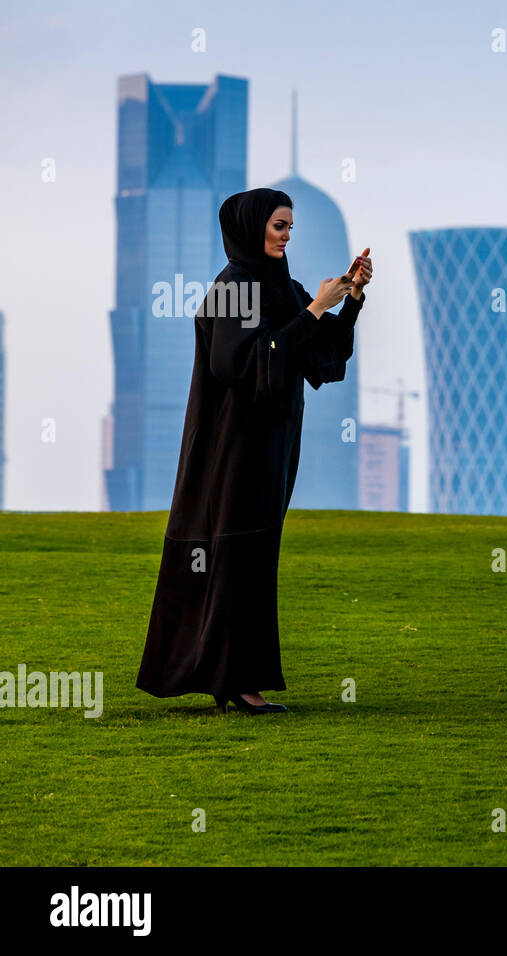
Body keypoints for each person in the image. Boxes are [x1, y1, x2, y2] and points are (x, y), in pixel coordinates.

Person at [136, 187, 373, 715]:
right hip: (234, 447)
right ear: (251, 227)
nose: (287, 236)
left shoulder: (280, 287)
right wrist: (315, 308)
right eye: (279, 226)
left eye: (290, 227)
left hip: (273, 444)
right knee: (236, 555)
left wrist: (351, 299)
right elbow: (242, 363)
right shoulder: (233, 288)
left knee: (253, 555)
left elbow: (318, 356)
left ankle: (228, 676)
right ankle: (238, 684)